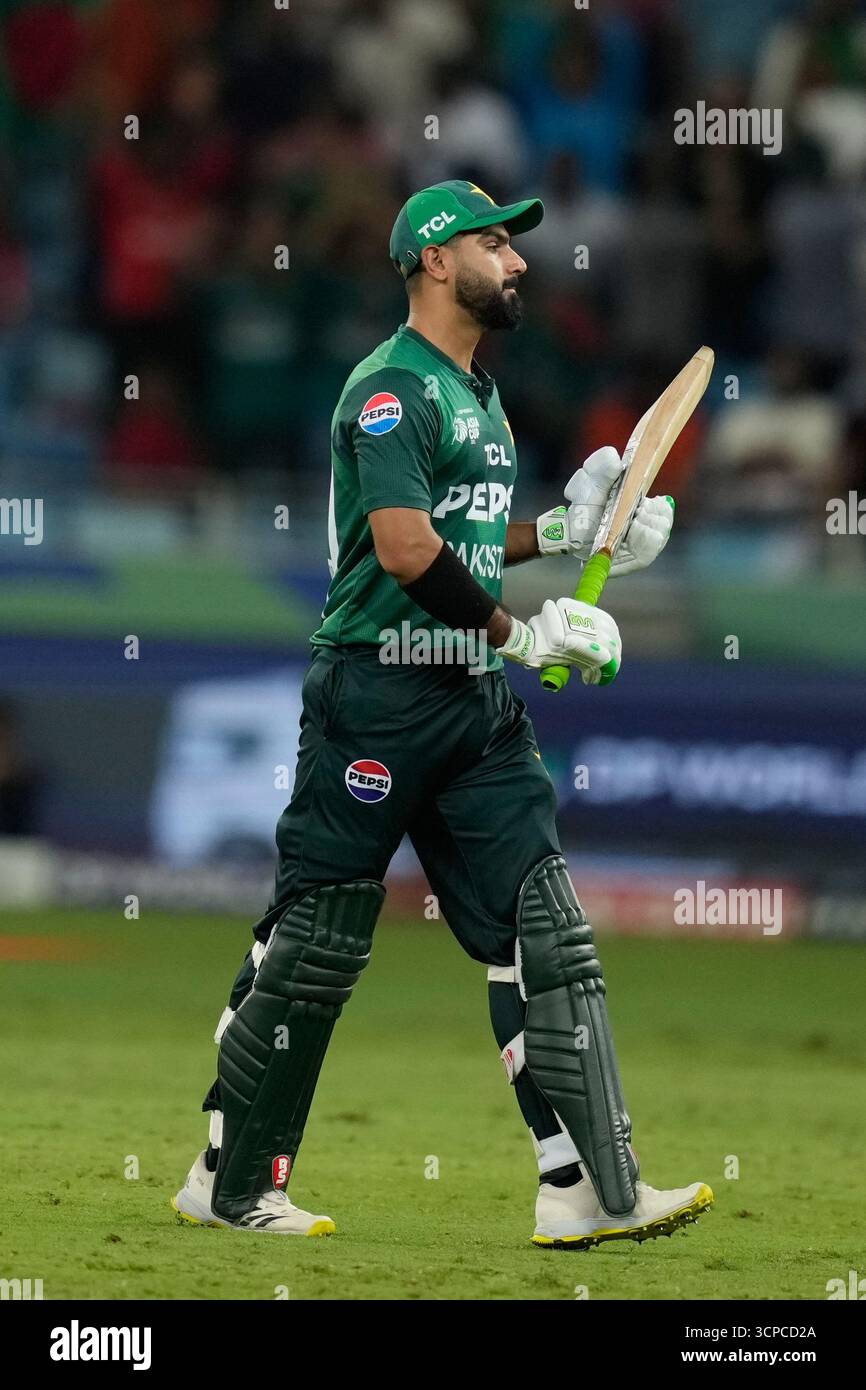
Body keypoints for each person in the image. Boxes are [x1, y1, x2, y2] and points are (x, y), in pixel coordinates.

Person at [173, 180, 713, 1247]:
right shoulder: (391, 390)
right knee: (314, 946)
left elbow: (461, 538)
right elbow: (404, 548)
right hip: (372, 692)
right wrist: (525, 635)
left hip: (466, 699)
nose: (515, 261)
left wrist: (557, 532)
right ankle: (228, 1180)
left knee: (543, 926)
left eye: (514, 246)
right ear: (432, 261)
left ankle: (584, 1191)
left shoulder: (481, 394)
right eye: (492, 243)